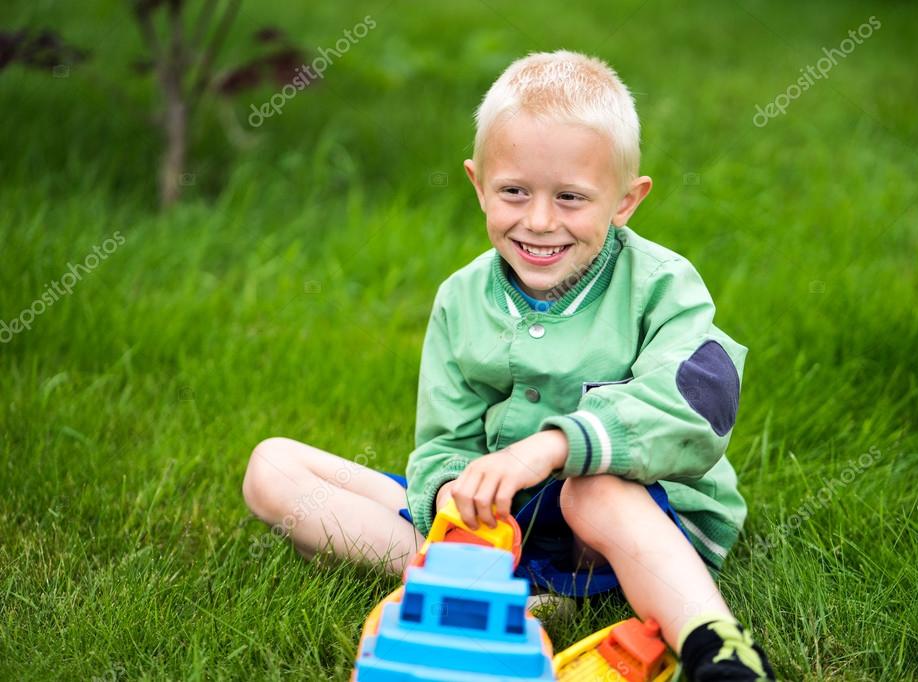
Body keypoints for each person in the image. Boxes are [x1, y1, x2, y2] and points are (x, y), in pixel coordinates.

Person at [243, 49, 774, 681]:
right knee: (272, 468)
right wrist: (453, 494)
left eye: (570, 197)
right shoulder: (461, 299)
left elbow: (695, 408)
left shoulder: (662, 285)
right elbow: (446, 441)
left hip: (632, 519)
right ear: (478, 185)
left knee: (590, 490)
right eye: (514, 191)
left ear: (625, 201)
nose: (539, 221)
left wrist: (551, 448)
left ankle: (717, 645)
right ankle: (481, 585)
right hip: (510, 520)